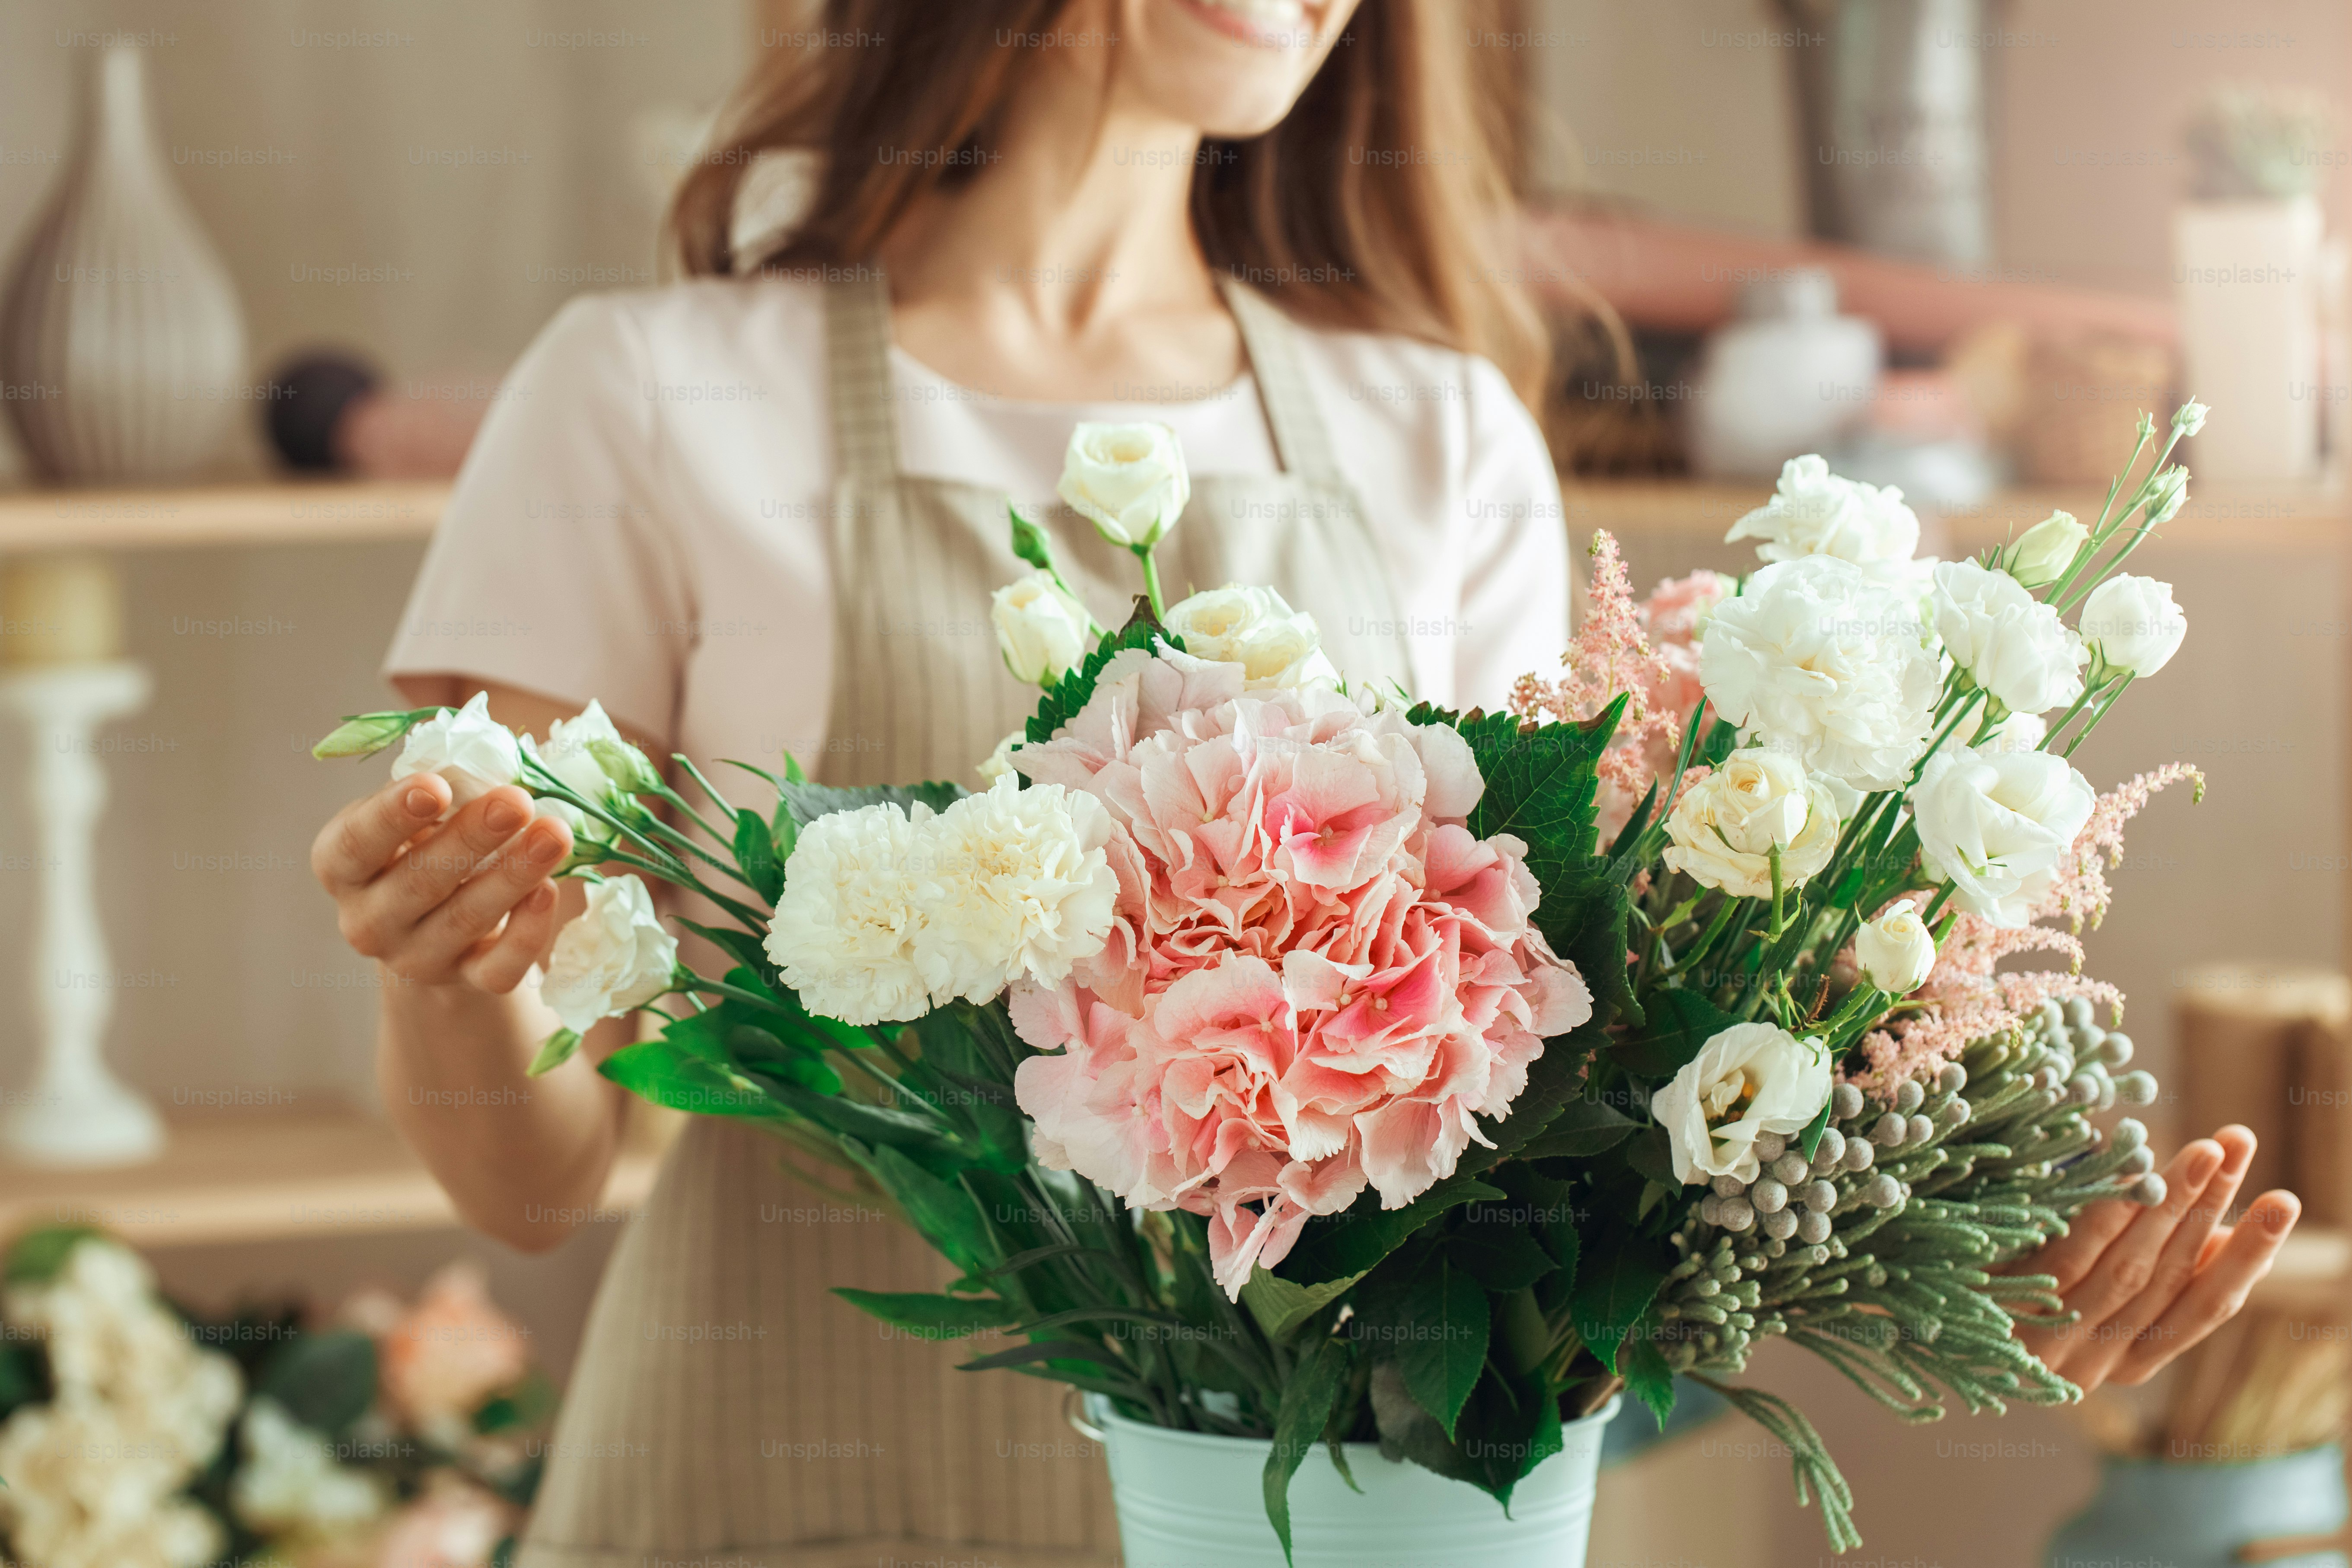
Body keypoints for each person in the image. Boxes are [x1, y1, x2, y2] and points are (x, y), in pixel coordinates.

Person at [309, 3, 2296, 1563]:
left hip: (1307, 1520)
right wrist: (442, 968)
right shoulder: (646, 397)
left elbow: (1565, 1112)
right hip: (774, 1493)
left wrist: (1942, 1261)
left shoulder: (1431, 434)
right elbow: (529, 1186)